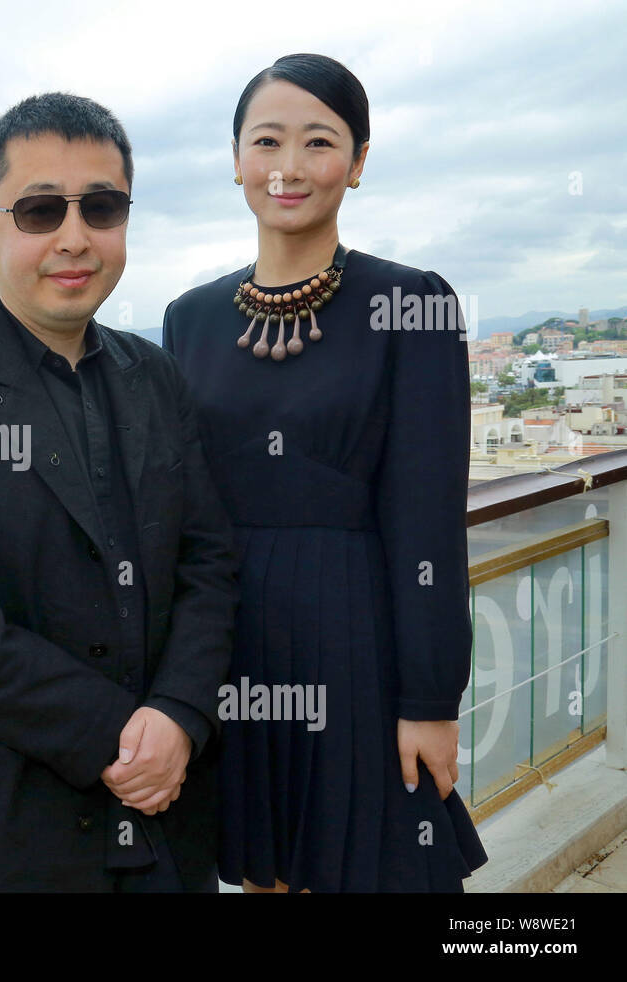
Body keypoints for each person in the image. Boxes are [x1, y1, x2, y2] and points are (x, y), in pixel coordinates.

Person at [0, 92, 238, 892]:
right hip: (5, 829)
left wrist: (179, 713)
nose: (74, 237)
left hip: (171, 819)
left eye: (100, 208)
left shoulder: (157, 376)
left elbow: (209, 564)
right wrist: (122, 737)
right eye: (39, 210)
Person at [161, 53, 487, 892]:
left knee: (368, 867)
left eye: (320, 142)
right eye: (267, 141)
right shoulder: (188, 319)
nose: (289, 168)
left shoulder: (410, 303)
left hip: (358, 639)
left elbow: (427, 523)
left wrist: (431, 699)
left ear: (360, 161)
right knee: (261, 869)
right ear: (236, 159)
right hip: (228, 643)